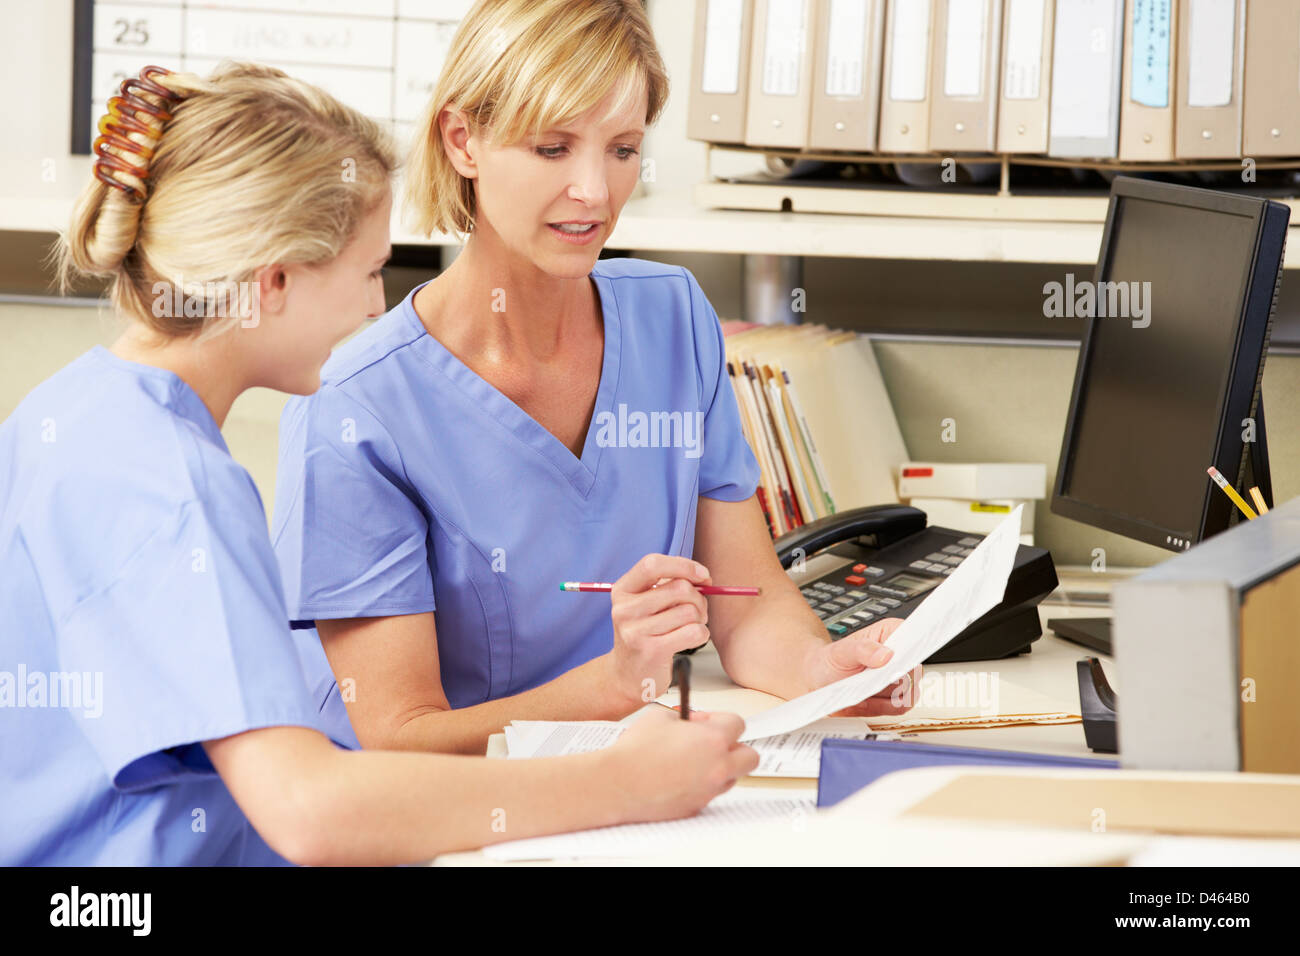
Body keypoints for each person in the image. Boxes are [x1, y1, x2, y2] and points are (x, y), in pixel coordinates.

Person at [0, 62, 756, 867]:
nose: (374, 307)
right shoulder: (178, 487)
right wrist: (621, 785)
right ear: (274, 281)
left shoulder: (67, 411)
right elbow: (310, 811)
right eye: (368, 272)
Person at [272, 0, 919, 757]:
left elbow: (747, 606)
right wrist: (616, 686)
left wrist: (824, 668)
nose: (595, 191)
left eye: (621, 150)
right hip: (441, 822)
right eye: (553, 148)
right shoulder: (358, 406)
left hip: (611, 775)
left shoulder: (672, 317)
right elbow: (400, 740)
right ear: (463, 140)